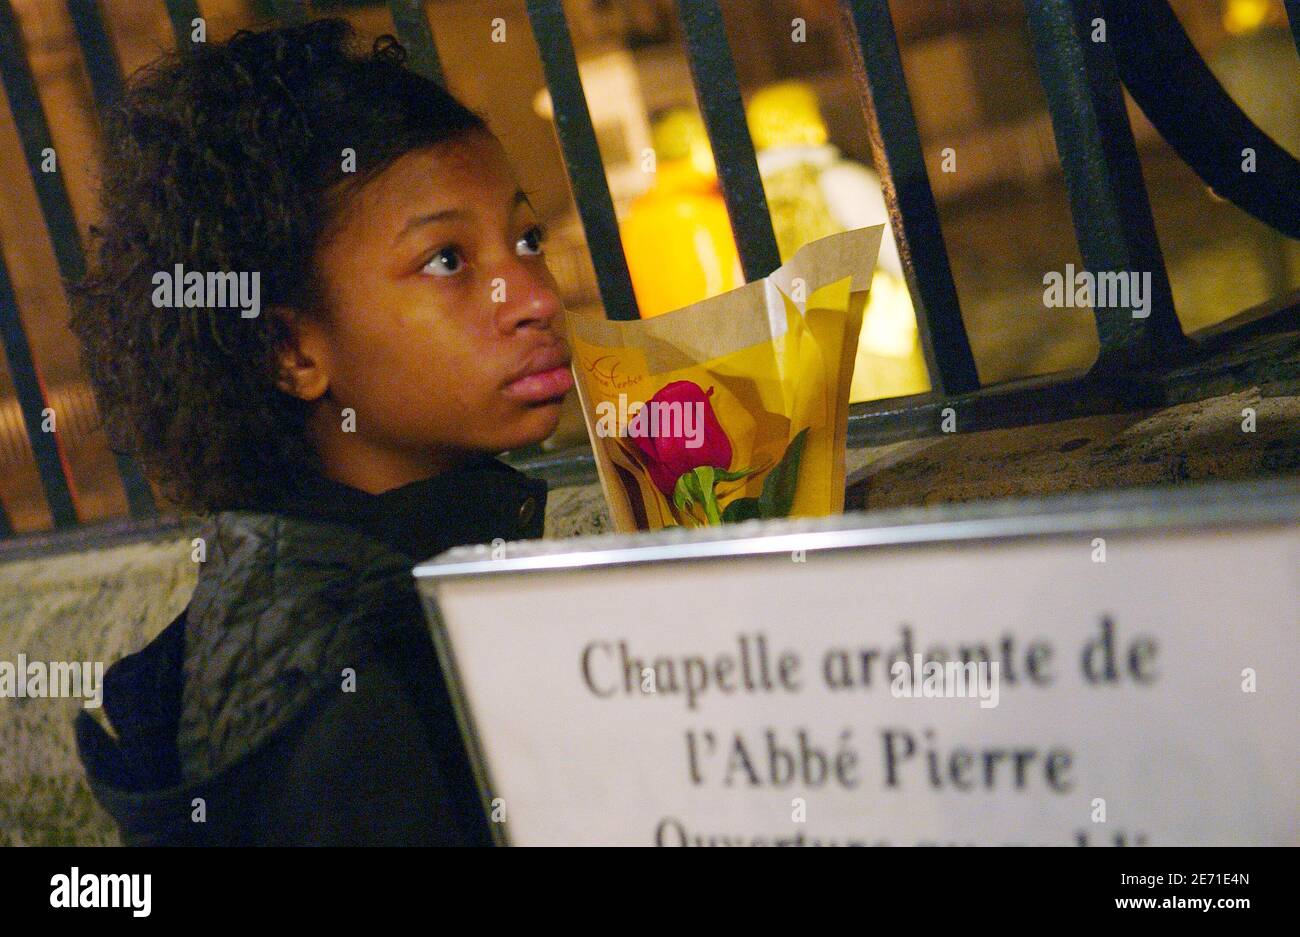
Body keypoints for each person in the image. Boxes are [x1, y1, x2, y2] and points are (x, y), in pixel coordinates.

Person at [68, 17, 570, 845]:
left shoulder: (369, 585)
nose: (535, 296)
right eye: (448, 260)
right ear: (292, 350)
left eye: (527, 238)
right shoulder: (348, 684)